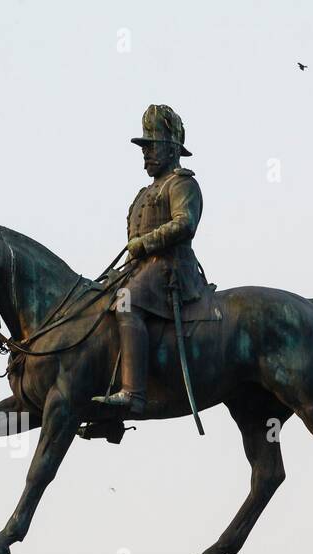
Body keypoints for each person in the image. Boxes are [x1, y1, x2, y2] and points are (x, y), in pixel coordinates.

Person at [93, 104, 209, 415]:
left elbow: (185, 224)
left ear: (172, 149)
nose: (146, 154)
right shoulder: (145, 192)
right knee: (97, 302)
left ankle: (133, 393)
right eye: (144, 148)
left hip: (171, 269)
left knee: (126, 303)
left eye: (152, 146)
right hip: (141, 269)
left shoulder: (182, 183)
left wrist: (144, 243)